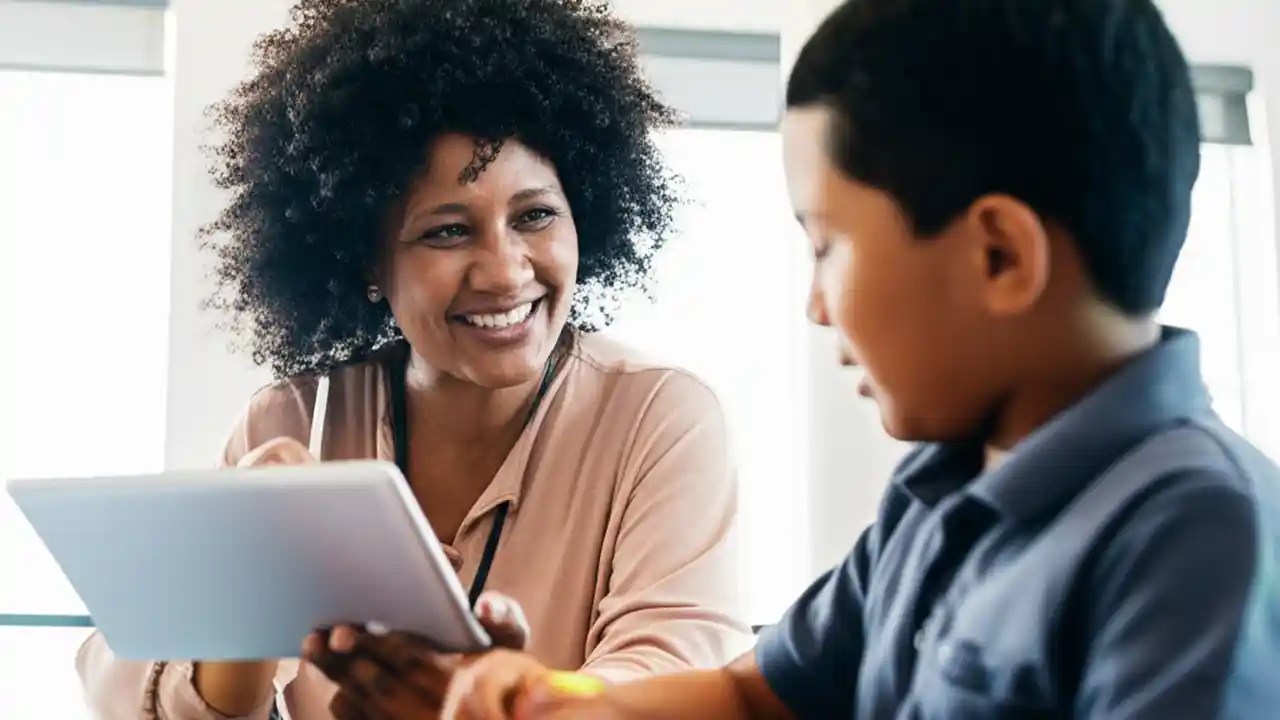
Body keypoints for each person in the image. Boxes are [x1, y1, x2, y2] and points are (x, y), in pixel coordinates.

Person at [414, 0, 1280, 718]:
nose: (817, 306)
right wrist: (560, 699)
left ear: (999, 257)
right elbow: (751, 696)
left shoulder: (1199, 533)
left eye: (826, 246)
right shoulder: (935, 495)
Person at [75, 0, 755, 718]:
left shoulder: (658, 418)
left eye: (535, 216)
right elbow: (126, 681)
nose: (504, 271)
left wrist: (501, 699)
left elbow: (674, 674)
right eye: (447, 231)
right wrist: (247, 605)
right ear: (368, 262)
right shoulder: (294, 425)